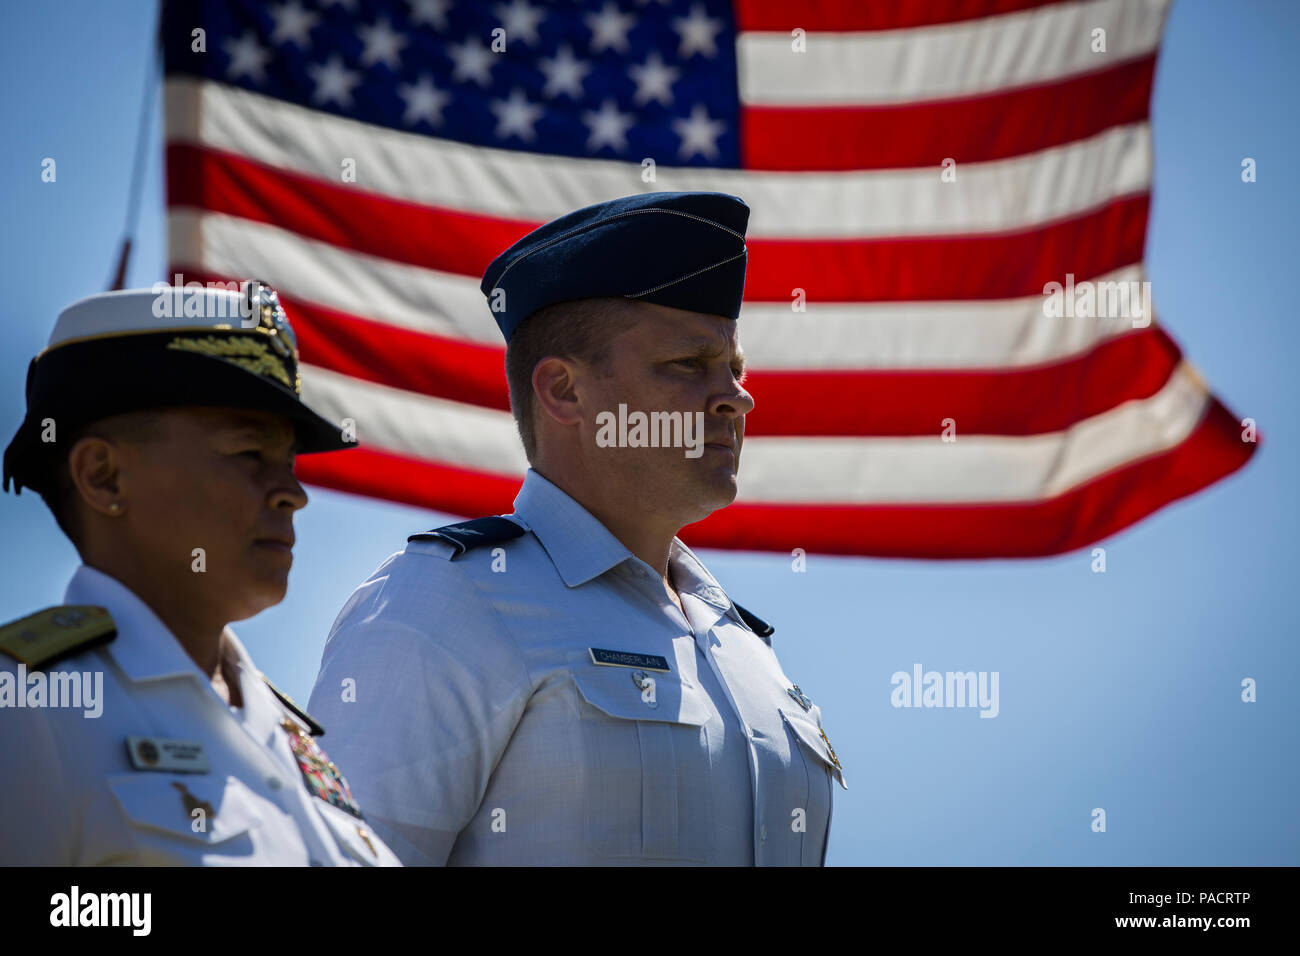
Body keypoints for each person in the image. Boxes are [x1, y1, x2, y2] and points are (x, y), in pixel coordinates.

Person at [308, 191, 846, 866]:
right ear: (563, 391)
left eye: (734, 370)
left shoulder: (747, 649)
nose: (738, 397)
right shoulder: (447, 603)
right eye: (689, 365)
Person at [0, 282, 400, 866]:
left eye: (287, 462)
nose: (293, 494)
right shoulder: (28, 709)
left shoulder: (292, 738)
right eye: (247, 454)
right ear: (104, 477)